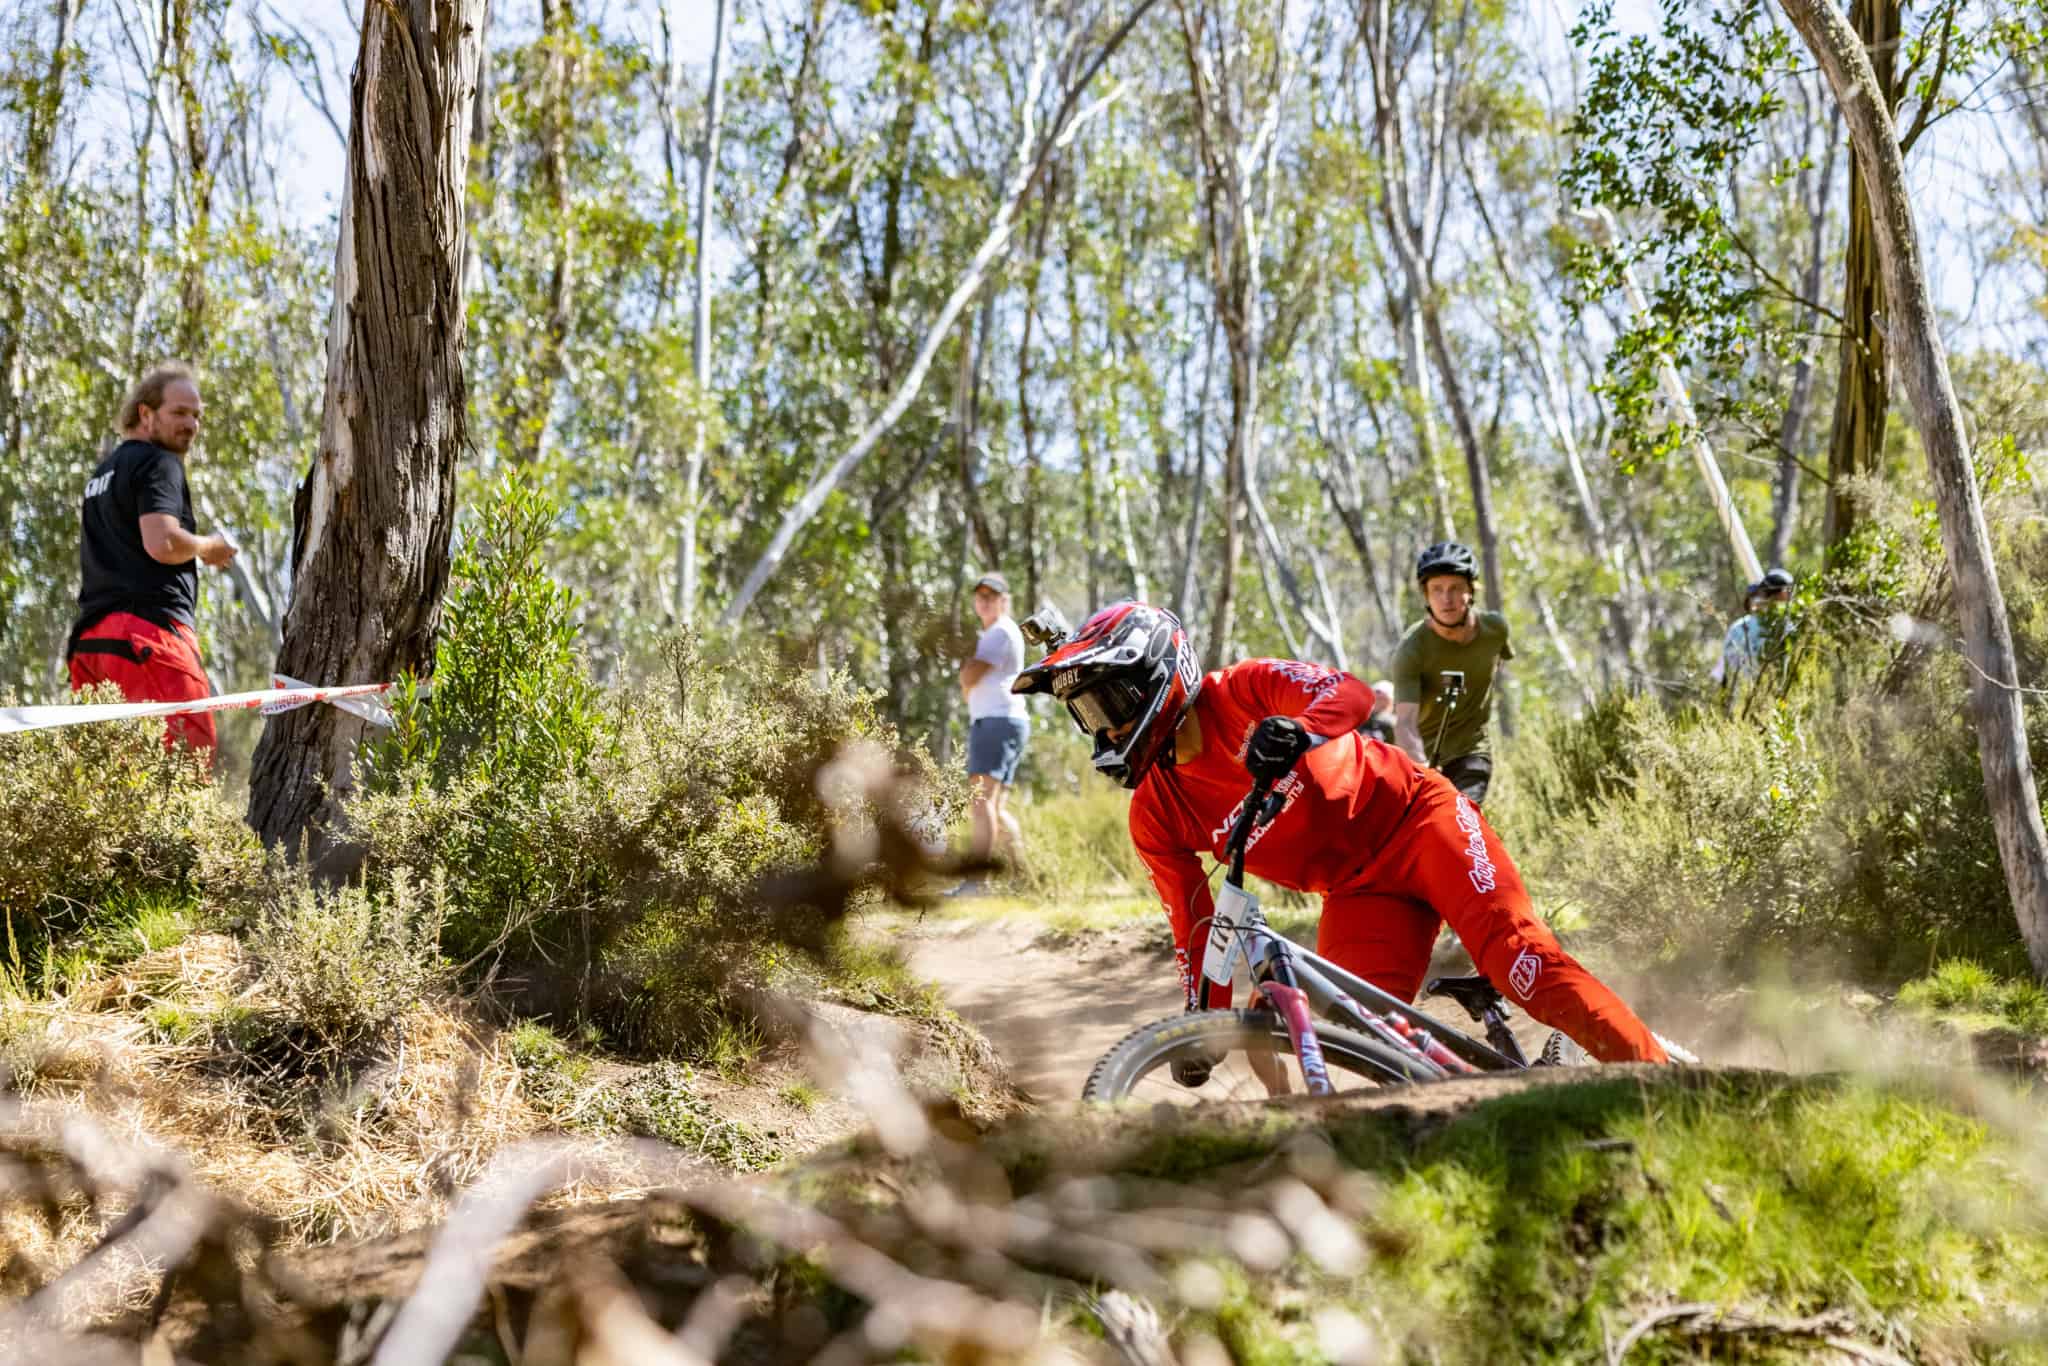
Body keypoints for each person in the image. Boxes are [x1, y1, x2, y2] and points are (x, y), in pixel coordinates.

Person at [1013, 601, 1668, 1065]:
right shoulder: (1157, 813)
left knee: (1522, 965)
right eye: (1087, 715)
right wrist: (1202, 1030)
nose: (1104, 730)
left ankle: (1665, 1081)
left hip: (1420, 821)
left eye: (1110, 704)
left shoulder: (1241, 690)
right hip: (1358, 894)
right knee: (1354, 1044)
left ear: (1156, 675)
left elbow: (1350, 693)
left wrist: (1300, 730)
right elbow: (1197, 928)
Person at [69, 363, 236, 757]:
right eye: (179, 412)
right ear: (146, 413)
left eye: (196, 415)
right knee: (187, 759)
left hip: (92, 644)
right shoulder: (159, 462)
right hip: (147, 636)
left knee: (113, 775)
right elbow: (162, 542)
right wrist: (208, 546)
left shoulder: (102, 473)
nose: (191, 424)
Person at [1389, 542, 1513, 805]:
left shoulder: (1495, 630)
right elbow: (1405, 722)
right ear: (1426, 595)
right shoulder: (1411, 649)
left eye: (1455, 588)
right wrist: (1421, 767)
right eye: (1437, 589)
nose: (1446, 599)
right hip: (1424, 758)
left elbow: (1499, 661)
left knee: (1463, 813)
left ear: (1471, 590)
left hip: (1472, 751)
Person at [958, 572, 1030, 878]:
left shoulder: (999, 632)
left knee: (981, 801)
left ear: (1003, 600)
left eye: (991, 596)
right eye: (980, 596)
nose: (984, 601)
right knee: (994, 808)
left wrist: (965, 675)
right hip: (1003, 721)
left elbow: (970, 676)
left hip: (997, 722)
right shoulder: (993, 633)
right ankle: (1023, 877)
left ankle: (976, 881)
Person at [1714, 567, 1794, 689]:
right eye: (1789, 592)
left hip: (1740, 696)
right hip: (1767, 693)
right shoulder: (1786, 626)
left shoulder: (1736, 627)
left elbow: (1722, 676)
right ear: (1783, 594)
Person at [1359, 678, 1397, 744]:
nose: (1378, 703)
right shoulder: (1362, 719)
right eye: (1376, 699)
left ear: (1390, 702)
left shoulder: (1393, 723)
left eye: (1382, 699)